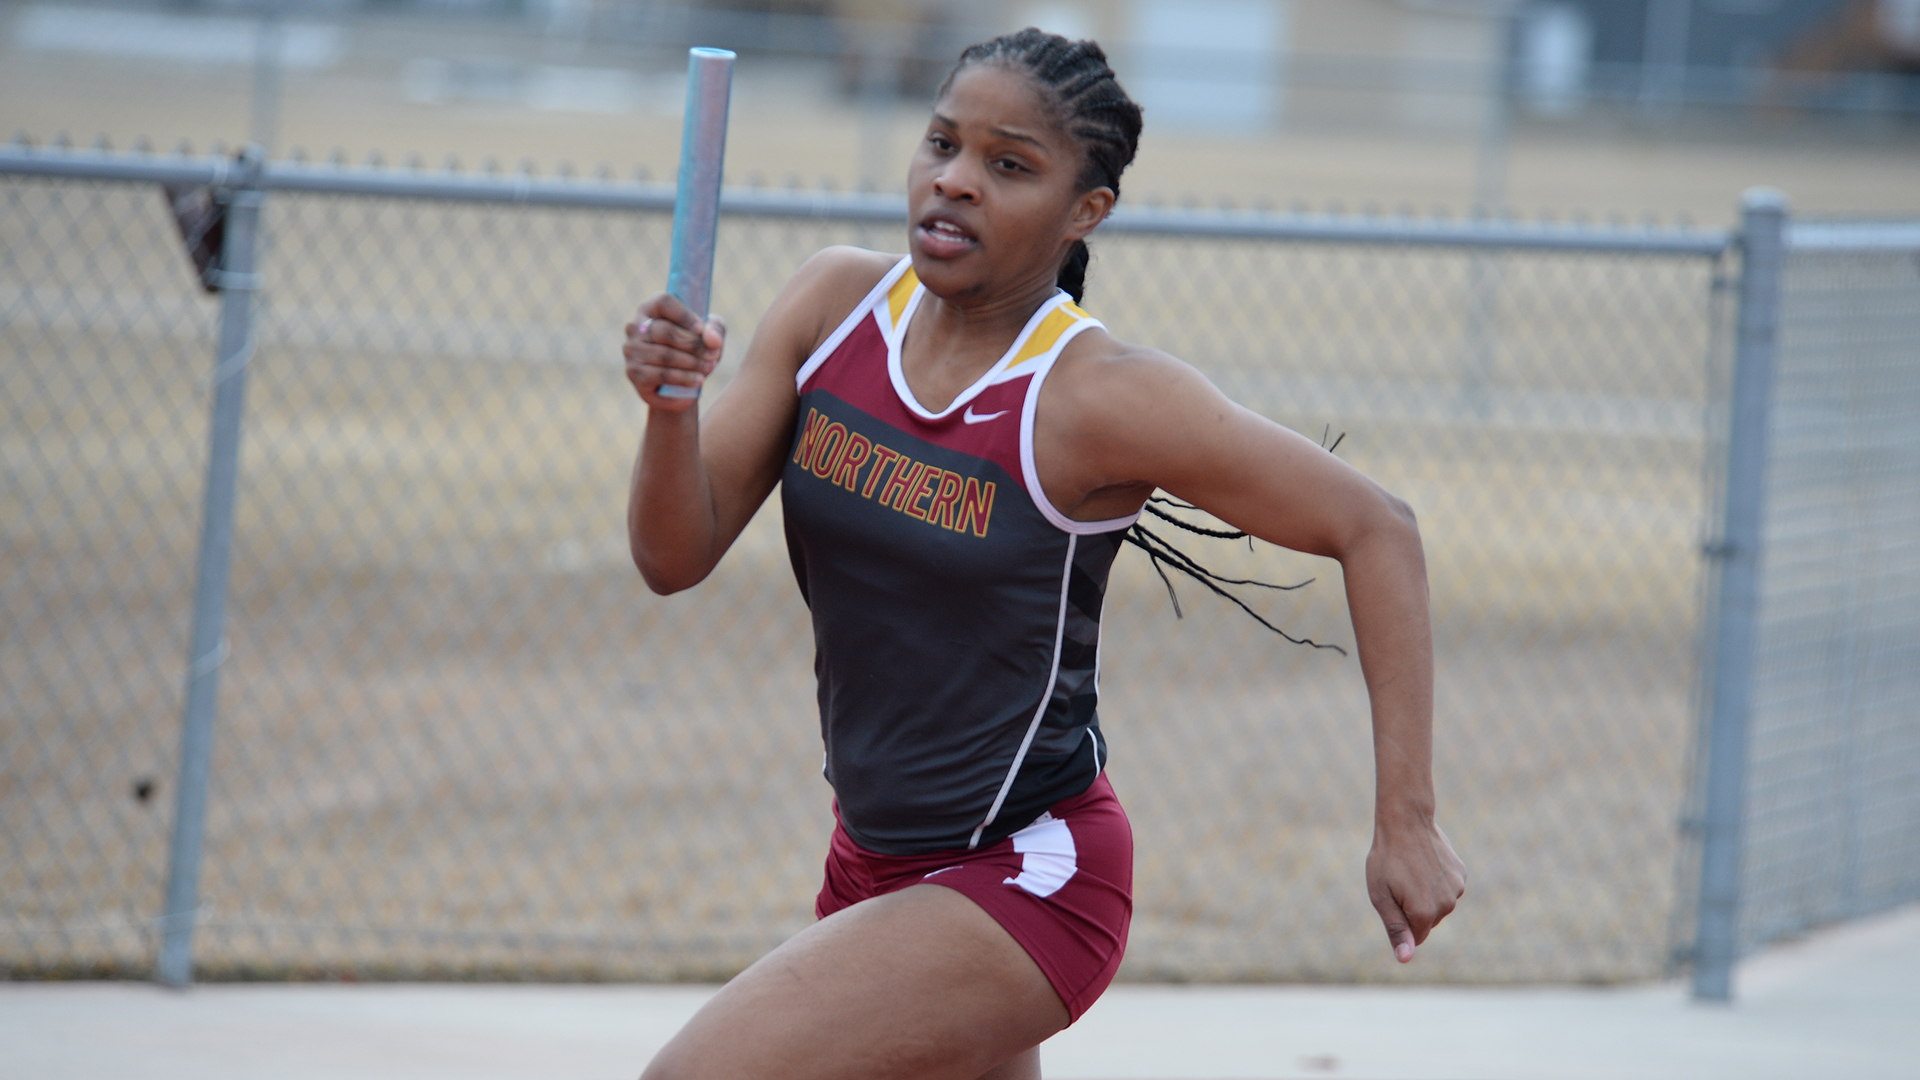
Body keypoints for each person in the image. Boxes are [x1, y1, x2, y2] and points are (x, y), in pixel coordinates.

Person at [623, 28, 1465, 1080]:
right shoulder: (834, 309)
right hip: (873, 864)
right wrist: (671, 408)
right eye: (942, 144)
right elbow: (673, 552)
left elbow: (1376, 525)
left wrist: (1408, 820)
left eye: (1007, 165)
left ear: (1085, 212)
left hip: (1029, 875)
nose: (955, 181)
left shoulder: (1095, 396)